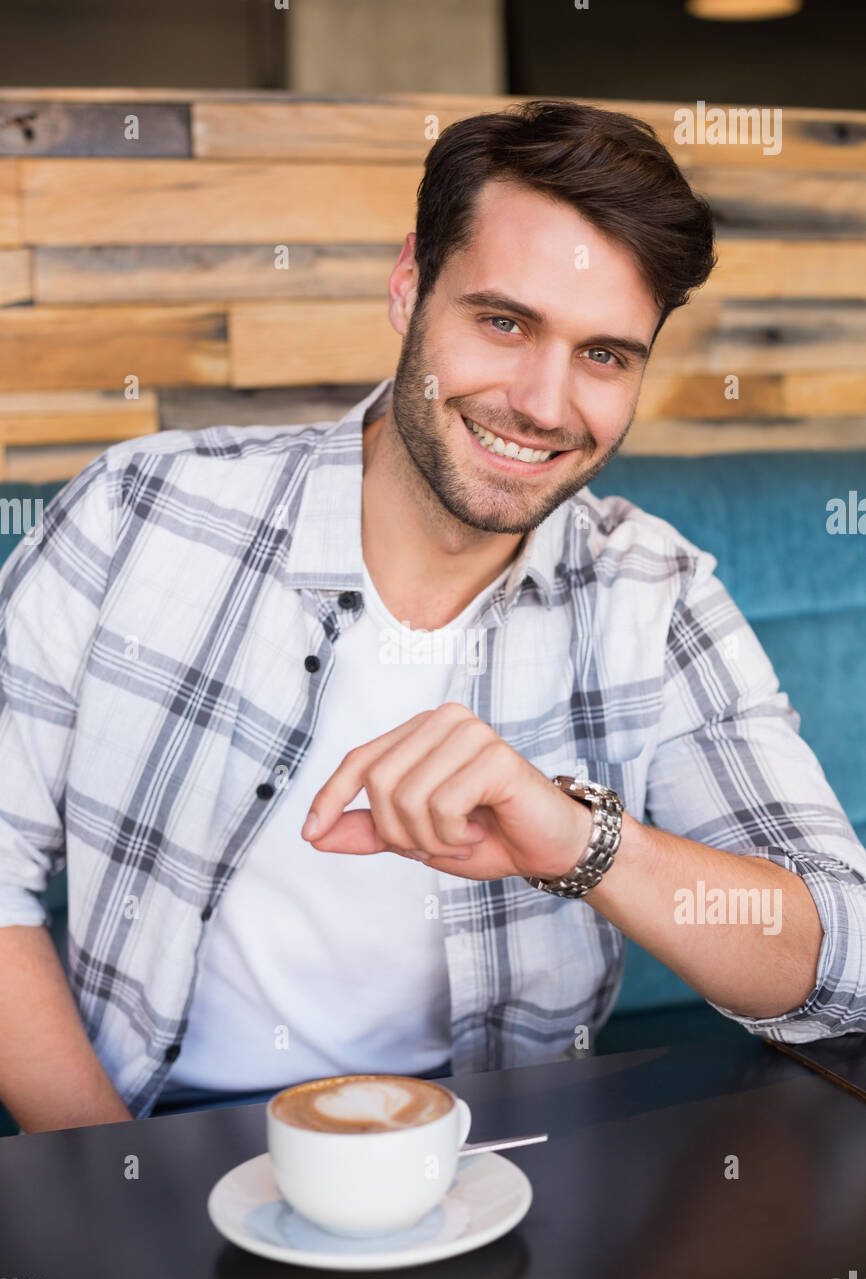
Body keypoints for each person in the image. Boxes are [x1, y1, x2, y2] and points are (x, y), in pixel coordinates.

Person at [1, 101, 864, 1133]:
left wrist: (582, 844)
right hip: (158, 1131)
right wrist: (110, 1179)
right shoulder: (139, 510)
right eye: (502, 322)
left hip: (500, 1167)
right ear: (409, 284)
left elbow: (845, 965)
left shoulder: (655, 592)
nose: (544, 403)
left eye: (602, 355)